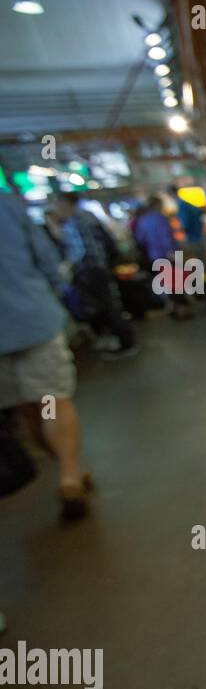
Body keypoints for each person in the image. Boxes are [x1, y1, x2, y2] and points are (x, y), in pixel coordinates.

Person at [0, 188, 95, 521]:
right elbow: (47, 259)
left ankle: (66, 467)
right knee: (51, 399)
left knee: (27, 406)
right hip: (32, 317)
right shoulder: (7, 204)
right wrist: (59, 293)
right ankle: (70, 473)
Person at [47, 193, 137, 357]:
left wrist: (67, 266)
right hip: (98, 269)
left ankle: (125, 342)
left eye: (58, 204)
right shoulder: (86, 217)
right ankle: (121, 339)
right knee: (106, 305)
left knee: (103, 307)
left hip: (91, 271)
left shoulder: (77, 220)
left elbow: (81, 250)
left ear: (66, 203)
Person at [132, 195, 191, 318]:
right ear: (157, 205)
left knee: (168, 285)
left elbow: (140, 239)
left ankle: (174, 308)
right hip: (168, 256)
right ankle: (181, 311)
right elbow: (167, 239)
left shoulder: (142, 221)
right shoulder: (160, 219)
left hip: (154, 257)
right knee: (176, 285)